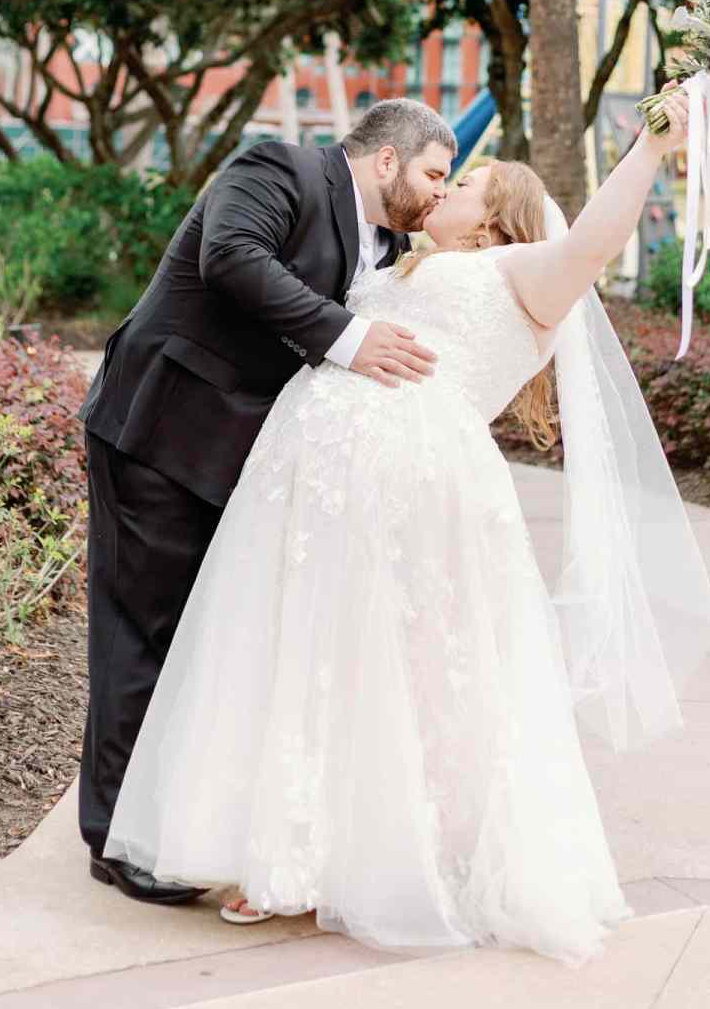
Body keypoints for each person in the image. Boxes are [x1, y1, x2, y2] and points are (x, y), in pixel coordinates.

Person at [103, 89, 710, 962]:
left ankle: (388, 856)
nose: (447, 190)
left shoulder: (526, 273)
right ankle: (284, 849)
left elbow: (591, 242)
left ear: (498, 218)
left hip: (405, 483)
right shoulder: (402, 260)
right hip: (314, 483)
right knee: (306, 656)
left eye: (463, 181)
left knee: (398, 668)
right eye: (440, 172)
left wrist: (652, 148)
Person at [78, 98, 457, 901]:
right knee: (139, 635)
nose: (439, 194)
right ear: (386, 159)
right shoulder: (280, 169)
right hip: (157, 432)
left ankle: (167, 818)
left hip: (238, 461)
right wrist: (348, 340)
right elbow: (233, 258)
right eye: (433, 173)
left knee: (196, 642)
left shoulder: (389, 243)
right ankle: (114, 840)